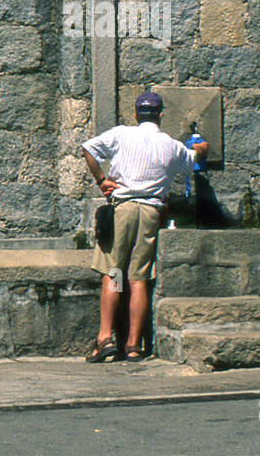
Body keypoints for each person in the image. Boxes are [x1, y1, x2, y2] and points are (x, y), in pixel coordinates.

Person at [80, 91, 209, 362]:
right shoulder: (170, 145)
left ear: (136, 114)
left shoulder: (122, 134)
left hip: (122, 209)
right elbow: (193, 161)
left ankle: (105, 338)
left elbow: (88, 148)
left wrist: (101, 180)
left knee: (114, 273)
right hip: (151, 211)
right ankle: (134, 345)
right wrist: (201, 149)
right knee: (138, 279)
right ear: (161, 115)